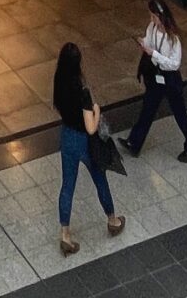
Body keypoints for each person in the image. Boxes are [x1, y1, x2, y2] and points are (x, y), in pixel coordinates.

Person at [52, 42, 125, 255]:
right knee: (100, 179)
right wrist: (96, 109)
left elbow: (58, 107)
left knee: (67, 186)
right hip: (84, 141)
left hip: (66, 136)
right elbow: (91, 128)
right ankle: (112, 220)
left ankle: (65, 233)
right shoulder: (81, 90)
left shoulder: (58, 81)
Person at [121, 0, 187, 162]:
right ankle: (134, 142)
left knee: (180, 113)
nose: (151, 20)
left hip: (169, 78)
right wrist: (144, 44)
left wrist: (154, 54)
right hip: (156, 75)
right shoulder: (152, 28)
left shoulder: (173, 38)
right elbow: (149, 42)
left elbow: (174, 64)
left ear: (160, 16)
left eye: (153, 16)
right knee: (148, 108)